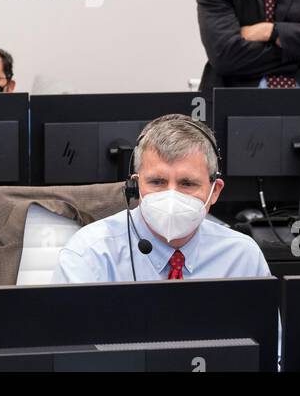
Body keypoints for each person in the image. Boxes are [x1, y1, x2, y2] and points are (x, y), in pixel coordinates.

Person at [52, 114, 270, 282]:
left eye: (187, 183)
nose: (171, 196)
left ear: (214, 191)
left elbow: (270, 340)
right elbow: (66, 340)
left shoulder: (242, 257)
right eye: (157, 182)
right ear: (135, 186)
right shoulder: (90, 253)